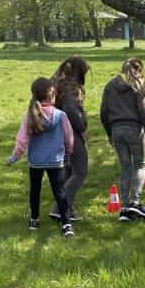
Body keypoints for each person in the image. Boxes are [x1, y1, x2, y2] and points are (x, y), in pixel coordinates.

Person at [6, 77, 75, 237]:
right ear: (50, 93)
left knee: (35, 191)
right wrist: (68, 154)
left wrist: (14, 157)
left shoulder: (31, 115)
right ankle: (66, 225)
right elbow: (69, 137)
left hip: (36, 162)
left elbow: (22, 140)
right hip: (55, 161)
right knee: (59, 192)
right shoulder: (61, 116)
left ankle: (34, 220)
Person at [100, 57, 145, 220]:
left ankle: (124, 208)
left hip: (116, 130)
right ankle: (135, 203)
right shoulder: (139, 84)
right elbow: (143, 109)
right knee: (140, 164)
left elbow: (103, 112)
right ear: (140, 70)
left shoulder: (110, 85)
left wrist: (109, 132)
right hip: (134, 129)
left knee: (125, 167)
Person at [49, 75, 89, 222]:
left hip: (61, 134)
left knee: (69, 171)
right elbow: (70, 110)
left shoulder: (60, 87)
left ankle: (66, 210)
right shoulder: (69, 90)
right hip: (72, 134)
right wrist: (82, 130)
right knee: (80, 171)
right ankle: (60, 207)